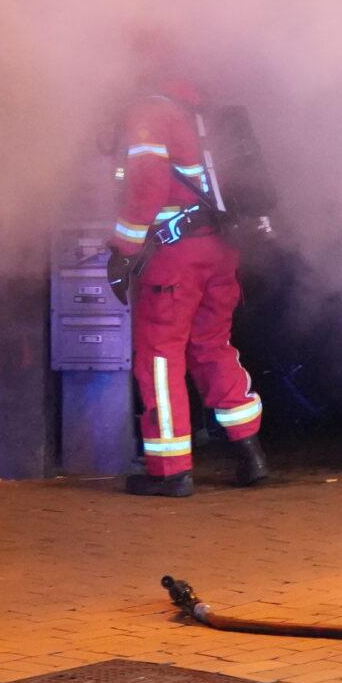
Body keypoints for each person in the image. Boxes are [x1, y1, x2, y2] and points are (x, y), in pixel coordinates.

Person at [104, 40, 265, 497]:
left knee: (159, 354)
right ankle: (249, 452)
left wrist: (124, 247)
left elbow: (147, 187)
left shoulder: (151, 112)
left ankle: (169, 469)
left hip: (175, 256)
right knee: (212, 344)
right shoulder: (205, 112)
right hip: (221, 248)